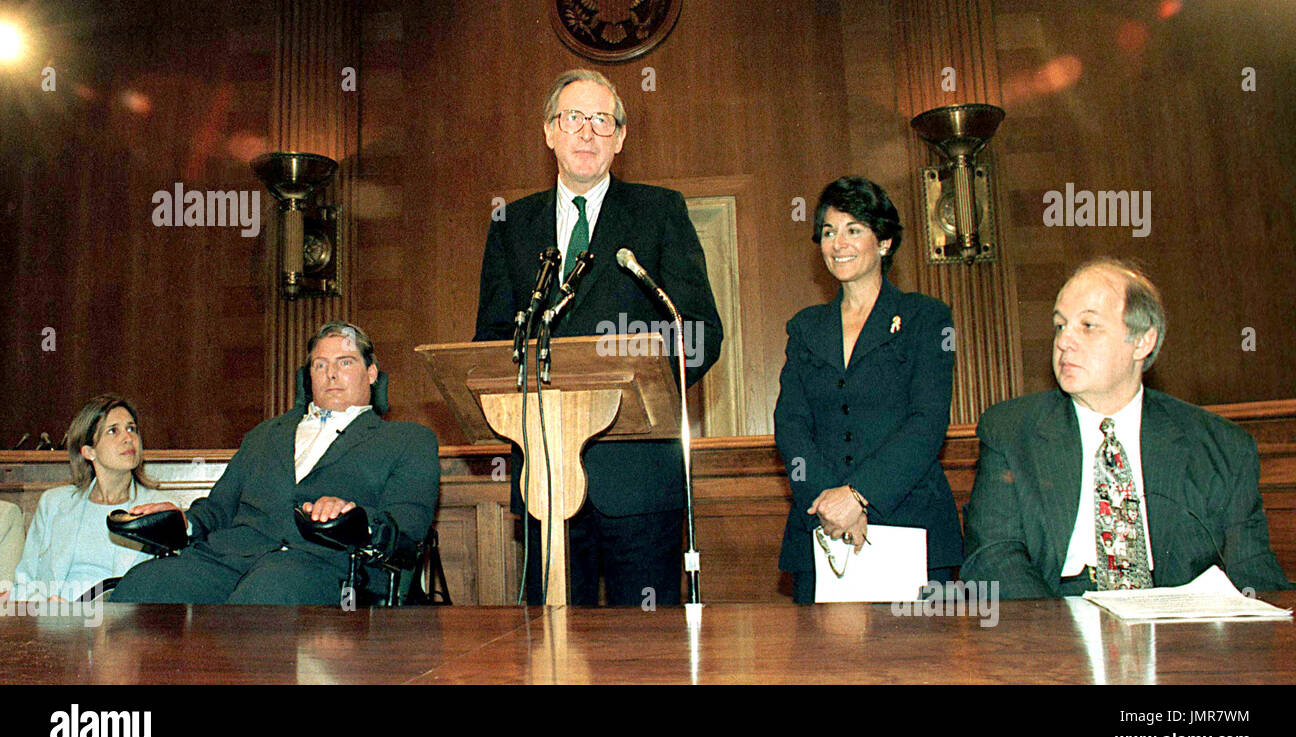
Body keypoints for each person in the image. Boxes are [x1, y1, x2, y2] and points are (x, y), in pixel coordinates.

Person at [474, 69, 723, 605]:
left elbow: (700, 330)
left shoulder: (659, 213)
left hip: (638, 477)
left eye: (602, 121)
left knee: (648, 655)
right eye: (573, 119)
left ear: (621, 138)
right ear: (548, 132)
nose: (587, 132)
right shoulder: (511, 226)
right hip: (546, 476)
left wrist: (641, 369)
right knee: (553, 652)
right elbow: (492, 343)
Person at [961, 259, 1292, 598]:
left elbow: (1252, 572)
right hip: (1056, 611)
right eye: (1060, 326)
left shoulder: (1222, 447)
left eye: (1088, 325)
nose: (1064, 342)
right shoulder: (1012, 431)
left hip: (1180, 625)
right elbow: (993, 557)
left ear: (1142, 341)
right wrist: (1059, 640)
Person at [111, 321, 440, 605]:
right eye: (320, 365)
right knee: (144, 584)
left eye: (345, 362)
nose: (332, 375)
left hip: (327, 565)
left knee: (266, 594)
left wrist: (354, 515)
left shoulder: (408, 440)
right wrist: (181, 520)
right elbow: (217, 510)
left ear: (371, 374)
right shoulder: (265, 434)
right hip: (233, 557)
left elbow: (408, 525)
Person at [774, 176, 962, 603]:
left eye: (853, 229)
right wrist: (831, 505)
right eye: (828, 231)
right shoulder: (805, 328)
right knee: (821, 668)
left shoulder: (926, 319)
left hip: (910, 525)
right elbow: (790, 423)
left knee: (912, 670)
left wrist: (860, 497)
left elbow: (927, 423)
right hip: (820, 530)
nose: (838, 243)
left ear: (885, 242)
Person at [3, 395, 163, 603]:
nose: (128, 438)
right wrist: (46, 605)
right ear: (89, 451)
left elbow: (162, 593)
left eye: (131, 429)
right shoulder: (53, 504)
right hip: (54, 623)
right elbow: (23, 584)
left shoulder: (157, 509)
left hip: (120, 627)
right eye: (113, 430)